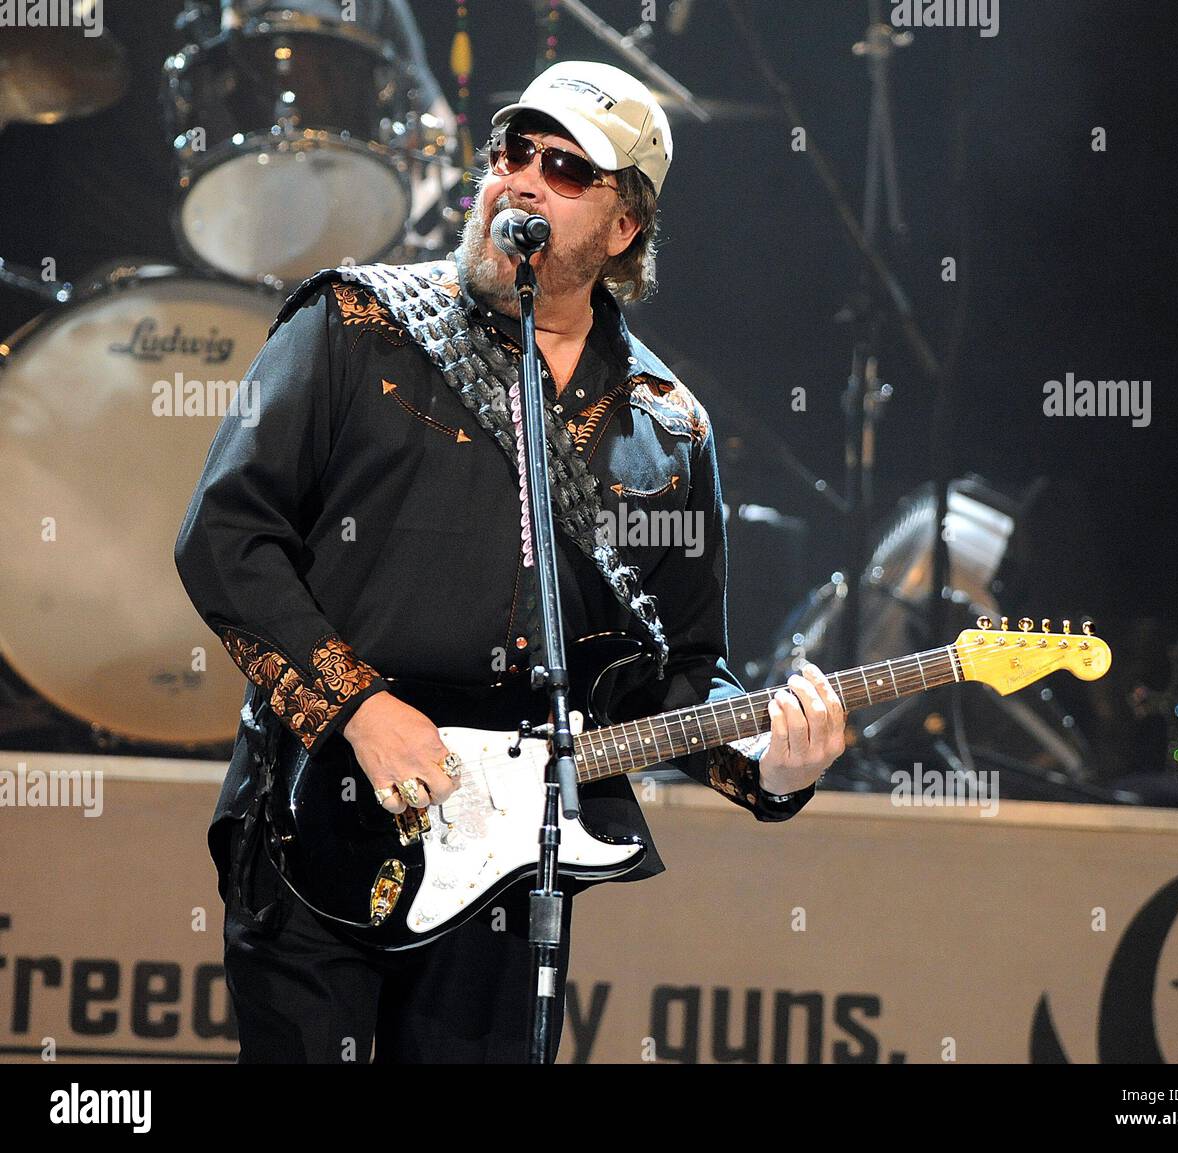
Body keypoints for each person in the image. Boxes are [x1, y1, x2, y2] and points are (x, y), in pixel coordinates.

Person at [175, 59, 844, 1064]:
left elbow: (673, 675)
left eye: (566, 167)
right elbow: (226, 539)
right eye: (513, 150)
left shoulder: (667, 427)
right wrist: (360, 709)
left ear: (624, 227)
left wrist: (771, 764)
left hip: (509, 864)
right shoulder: (355, 324)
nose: (522, 177)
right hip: (321, 819)